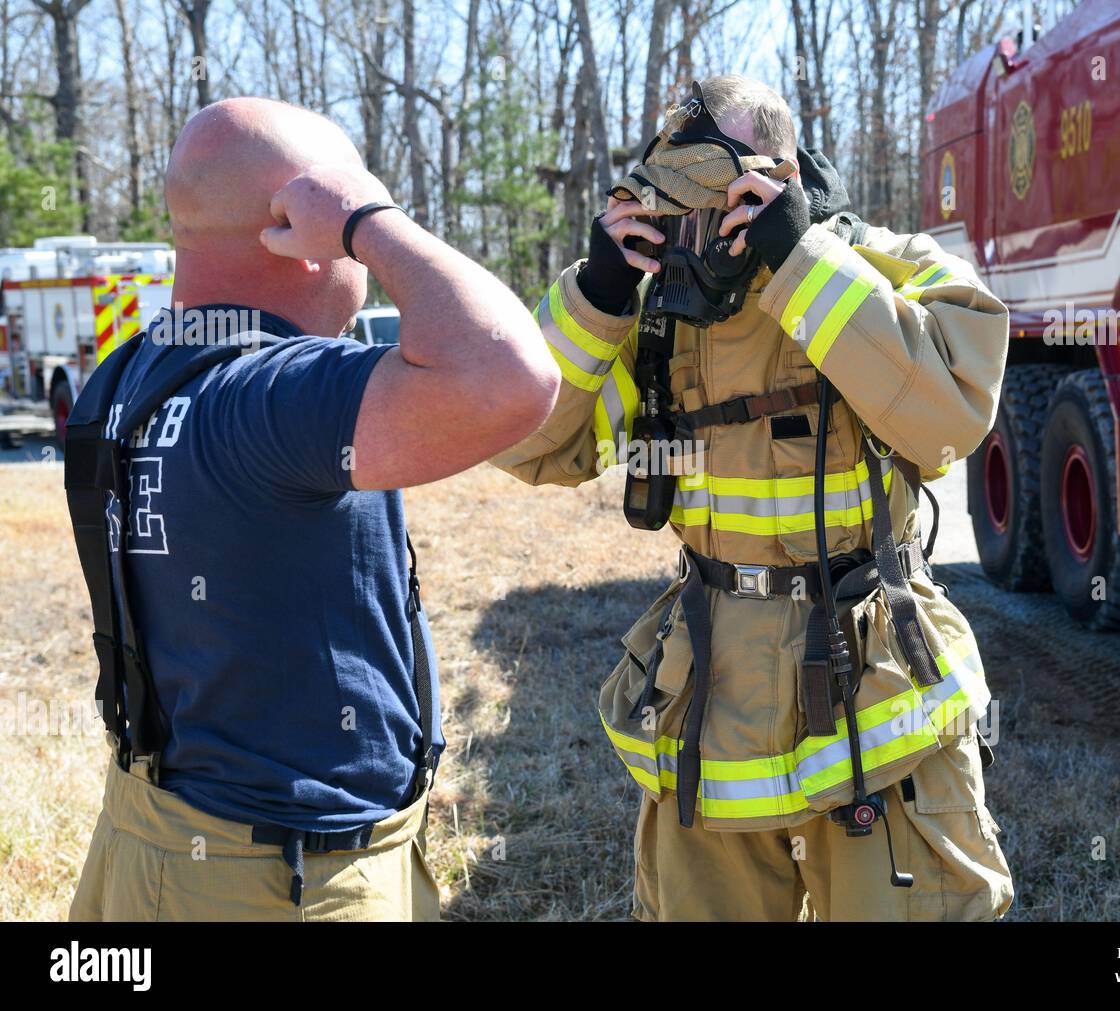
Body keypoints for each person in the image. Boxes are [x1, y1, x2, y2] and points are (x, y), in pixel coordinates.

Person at [494, 75, 1014, 921]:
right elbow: (526, 443)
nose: (686, 232)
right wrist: (594, 298)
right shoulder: (657, 322)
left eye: (706, 201)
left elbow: (950, 418)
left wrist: (800, 260)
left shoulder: (885, 269)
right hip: (711, 705)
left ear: (774, 176)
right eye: (671, 207)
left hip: (876, 697)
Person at [66, 96, 559, 921]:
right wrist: (371, 219)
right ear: (297, 225)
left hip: (147, 838)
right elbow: (517, 378)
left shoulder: (124, 376)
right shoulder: (275, 392)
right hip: (280, 878)